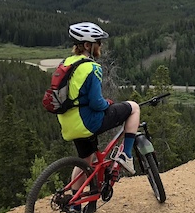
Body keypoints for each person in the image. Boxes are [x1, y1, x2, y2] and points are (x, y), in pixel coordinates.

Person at [58, 22, 140, 178]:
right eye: (98, 43)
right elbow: (96, 103)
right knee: (134, 107)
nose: (100, 46)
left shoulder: (66, 63)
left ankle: (74, 202)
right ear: (88, 45)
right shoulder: (92, 68)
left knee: (85, 162)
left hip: (69, 123)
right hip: (87, 123)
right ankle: (126, 156)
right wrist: (107, 103)